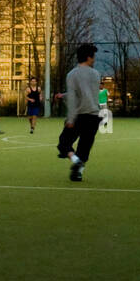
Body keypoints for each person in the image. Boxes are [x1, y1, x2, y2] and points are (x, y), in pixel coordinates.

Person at [58, 44, 102, 181]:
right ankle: (77, 173)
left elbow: (74, 97)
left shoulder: (72, 74)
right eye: (93, 57)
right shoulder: (96, 74)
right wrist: (64, 95)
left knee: (64, 143)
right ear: (89, 57)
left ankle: (75, 161)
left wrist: (70, 119)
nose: (94, 60)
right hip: (94, 116)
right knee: (84, 147)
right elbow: (87, 93)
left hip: (79, 116)